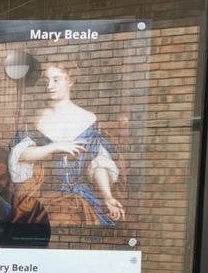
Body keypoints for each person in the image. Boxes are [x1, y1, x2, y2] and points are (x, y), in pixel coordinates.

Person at [8, 61, 124, 228]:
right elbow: (20, 155)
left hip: (83, 197)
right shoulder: (36, 119)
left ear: (70, 80)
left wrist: (107, 197)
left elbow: (99, 163)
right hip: (46, 195)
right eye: (46, 81)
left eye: (56, 80)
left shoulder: (89, 120)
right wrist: (54, 147)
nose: (49, 86)